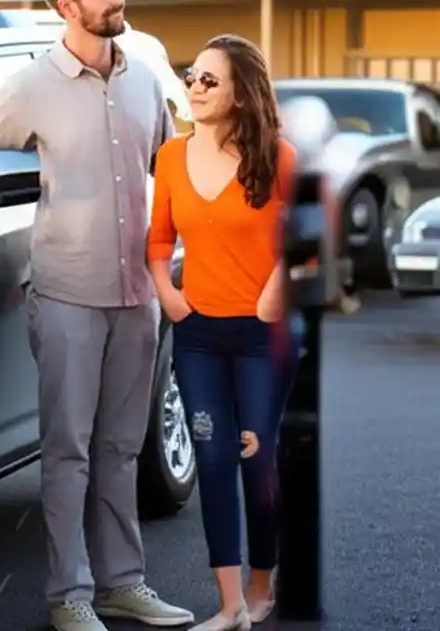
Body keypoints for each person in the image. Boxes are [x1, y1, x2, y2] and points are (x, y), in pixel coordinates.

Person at [0, 0, 194, 631]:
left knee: (122, 448)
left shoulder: (146, 81)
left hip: (135, 297)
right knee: (69, 452)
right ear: (69, 4)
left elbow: (170, 172)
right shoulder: (32, 86)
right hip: (66, 296)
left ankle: (124, 583)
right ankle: (69, 597)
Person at [146, 35, 298, 631]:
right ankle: (230, 605)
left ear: (240, 94)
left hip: (263, 337)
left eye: (210, 79)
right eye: (192, 75)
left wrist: (274, 293)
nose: (195, 86)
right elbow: (158, 242)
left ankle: (264, 588)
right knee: (212, 457)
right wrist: (170, 297)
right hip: (199, 335)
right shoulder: (169, 157)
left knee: (256, 462)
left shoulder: (278, 156)